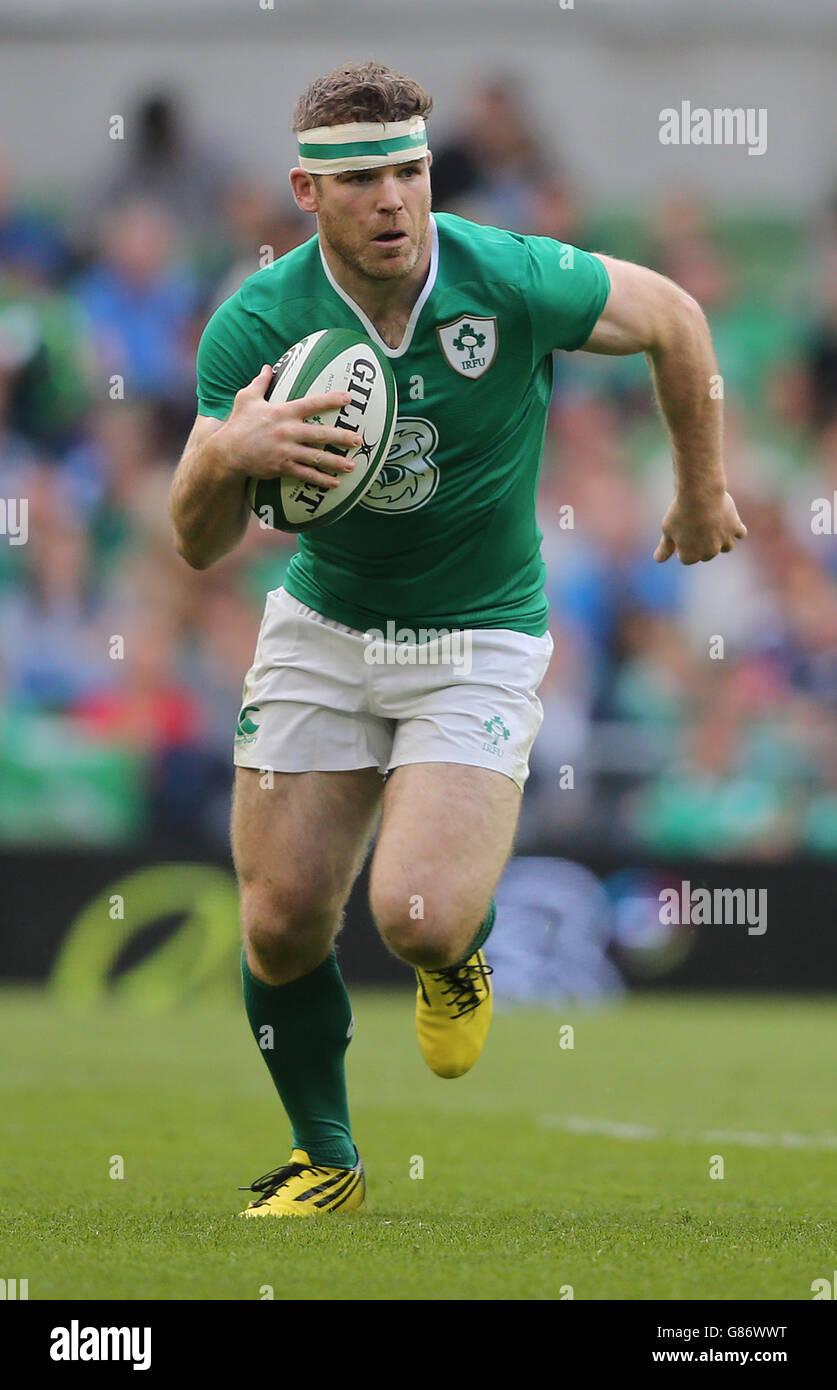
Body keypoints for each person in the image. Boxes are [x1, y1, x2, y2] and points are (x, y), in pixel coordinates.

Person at [168, 60, 746, 1218]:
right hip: (325, 625)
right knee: (280, 921)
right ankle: (325, 1157)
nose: (394, 200)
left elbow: (676, 320)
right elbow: (196, 541)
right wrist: (229, 457)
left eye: (412, 172)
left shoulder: (509, 273)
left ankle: (457, 951)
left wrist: (698, 491)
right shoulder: (258, 326)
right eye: (366, 179)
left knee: (416, 914)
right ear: (306, 193)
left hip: (477, 634)